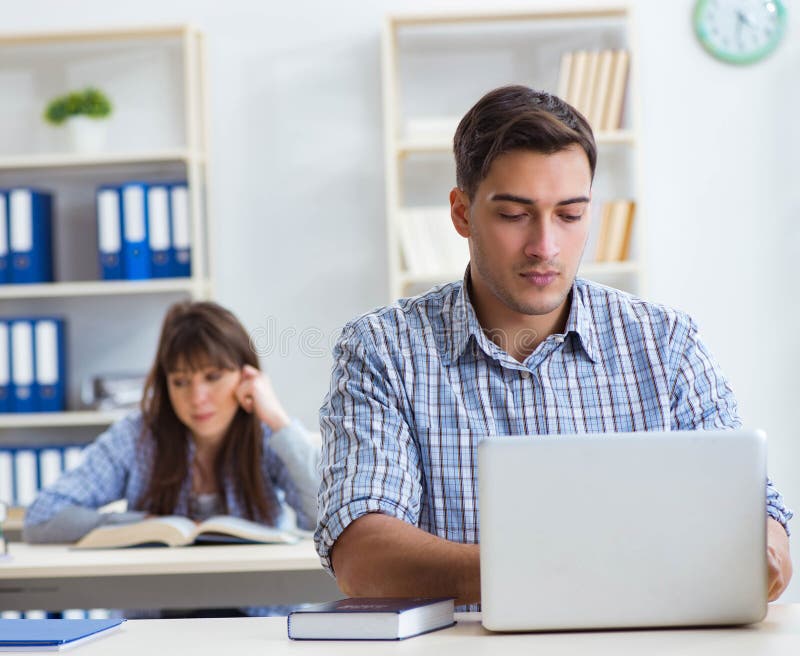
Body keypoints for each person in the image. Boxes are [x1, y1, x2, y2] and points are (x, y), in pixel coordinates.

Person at [316, 85, 793, 611]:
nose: (545, 246)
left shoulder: (666, 344)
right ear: (461, 214)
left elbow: (758, 514)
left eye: (569, 215)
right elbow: (363, 556)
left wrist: (763, 553)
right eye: (515, 215)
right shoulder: (384, 350)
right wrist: (571, 567)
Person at [25, 300, 319, 556]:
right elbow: (41, 517)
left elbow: (327, 520)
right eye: (180, 381)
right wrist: (140, 525)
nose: (196, 398)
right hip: (159, 613)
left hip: (259, 613)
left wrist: (279, 420)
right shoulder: (136, 436)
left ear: (246, 377)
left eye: (213, 376)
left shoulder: (268, 435)